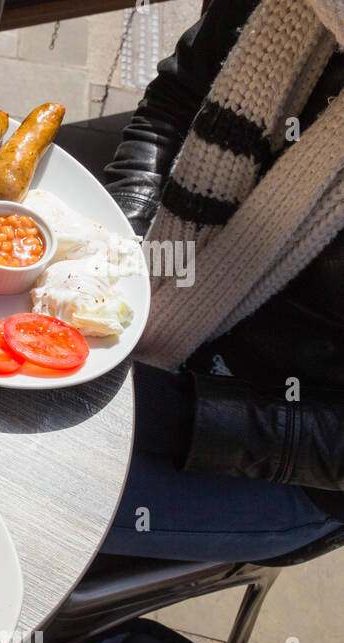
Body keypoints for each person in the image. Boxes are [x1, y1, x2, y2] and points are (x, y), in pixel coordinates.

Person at [98, 0, 344, 563]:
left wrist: (187, 419)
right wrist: (122, 260)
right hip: (161, 281)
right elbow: (177, 101)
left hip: (277, 461)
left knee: (18, 488)